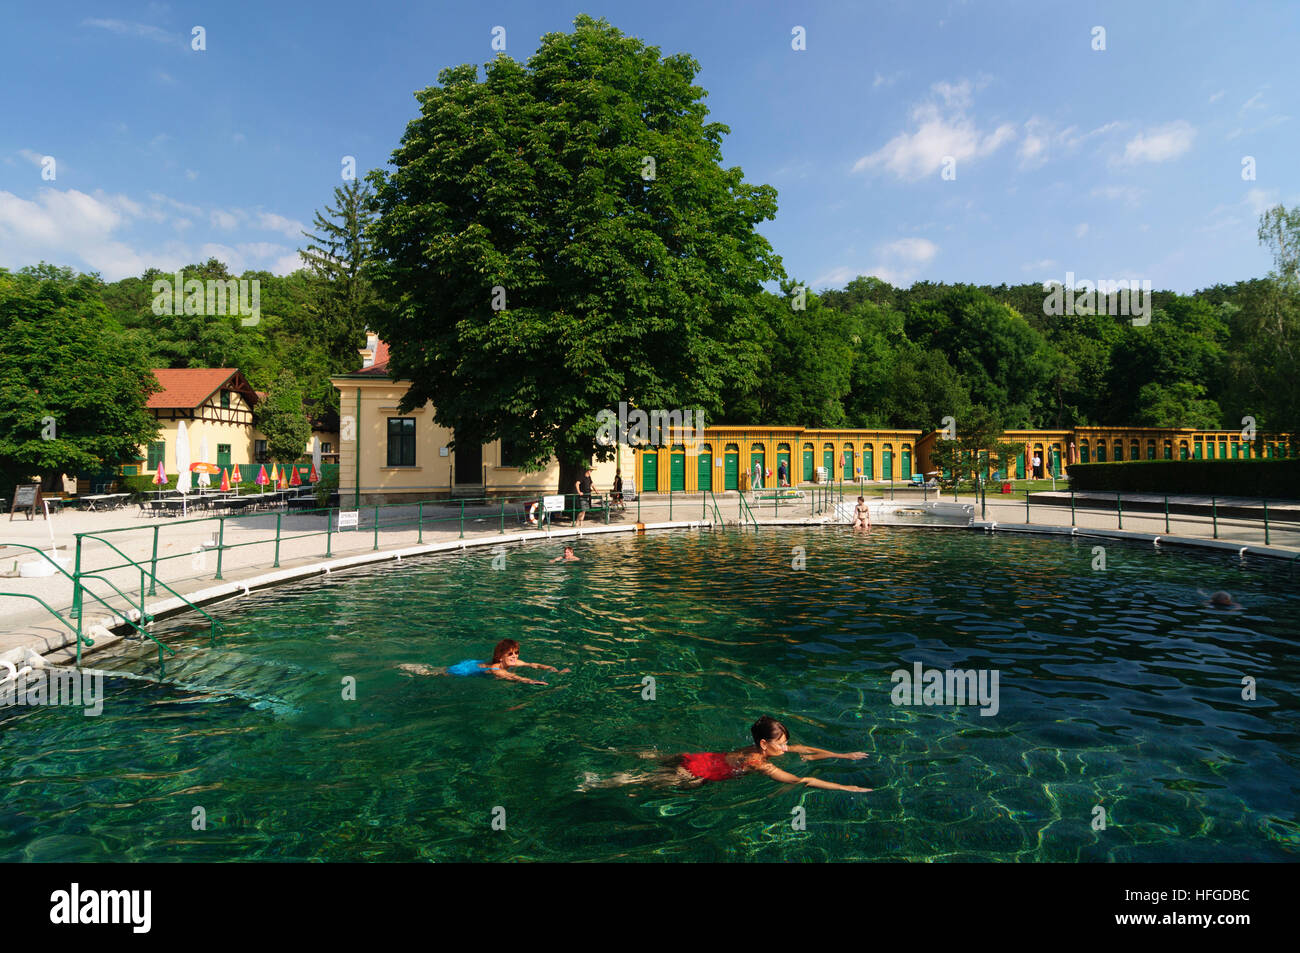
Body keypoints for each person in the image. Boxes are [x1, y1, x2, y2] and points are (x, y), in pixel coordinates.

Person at [579, 716, 872, 792]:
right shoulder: (758, 763)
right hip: (692, 773)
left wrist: (842, 755)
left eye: (785, 742)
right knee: (637, 781)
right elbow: (800, 781)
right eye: (780, 743)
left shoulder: (757, 748)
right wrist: (848, 786)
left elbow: (803, 749)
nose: (785, 748)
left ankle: (613, 749)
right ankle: (596, 782)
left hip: (695, 757)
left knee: (649, 758)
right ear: (763, 745)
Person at [398, 638, 569, 685]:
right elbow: (513, 678)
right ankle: (413, 670)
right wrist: (533, 681)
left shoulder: (513, 663)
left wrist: (553, 669)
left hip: (475, 663)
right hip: (466, 670)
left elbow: (534, 665)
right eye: (511, 654)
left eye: (516, 653)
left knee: (438, 670)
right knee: (437, 674)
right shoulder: (497, 669)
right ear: (501, 655)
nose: (515, 657)